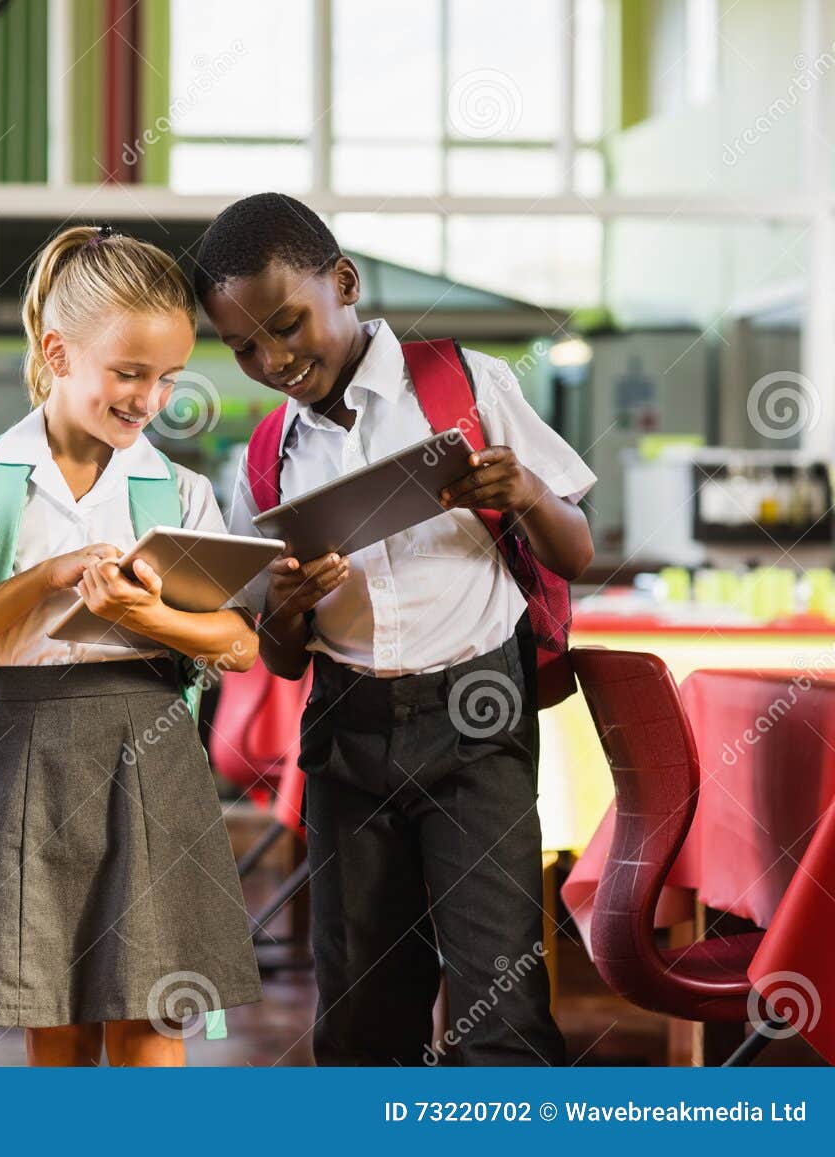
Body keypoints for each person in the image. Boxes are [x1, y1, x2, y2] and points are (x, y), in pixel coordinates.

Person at [198, 192, 595, 1066]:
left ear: (344, 282)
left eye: (287, 323)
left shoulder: (466, 383)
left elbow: (577, 552)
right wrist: (290, 609)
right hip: (348, 734)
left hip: (479, 715)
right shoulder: (267, 458)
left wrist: (525, 492)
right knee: (363, 1009)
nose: (273, 357)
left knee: (502, 1006)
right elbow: (276, 653)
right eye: (242, 346)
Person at [0, 224, 263, 1067]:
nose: (149, 399)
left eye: (166, 379)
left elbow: (236, 643)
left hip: (155, 752)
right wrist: (47, 576)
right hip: (30, 751)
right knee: (55, 1010)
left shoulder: (180, 490)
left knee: (155, 1015)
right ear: (56, 351)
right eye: (128, 374)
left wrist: (148, 618)